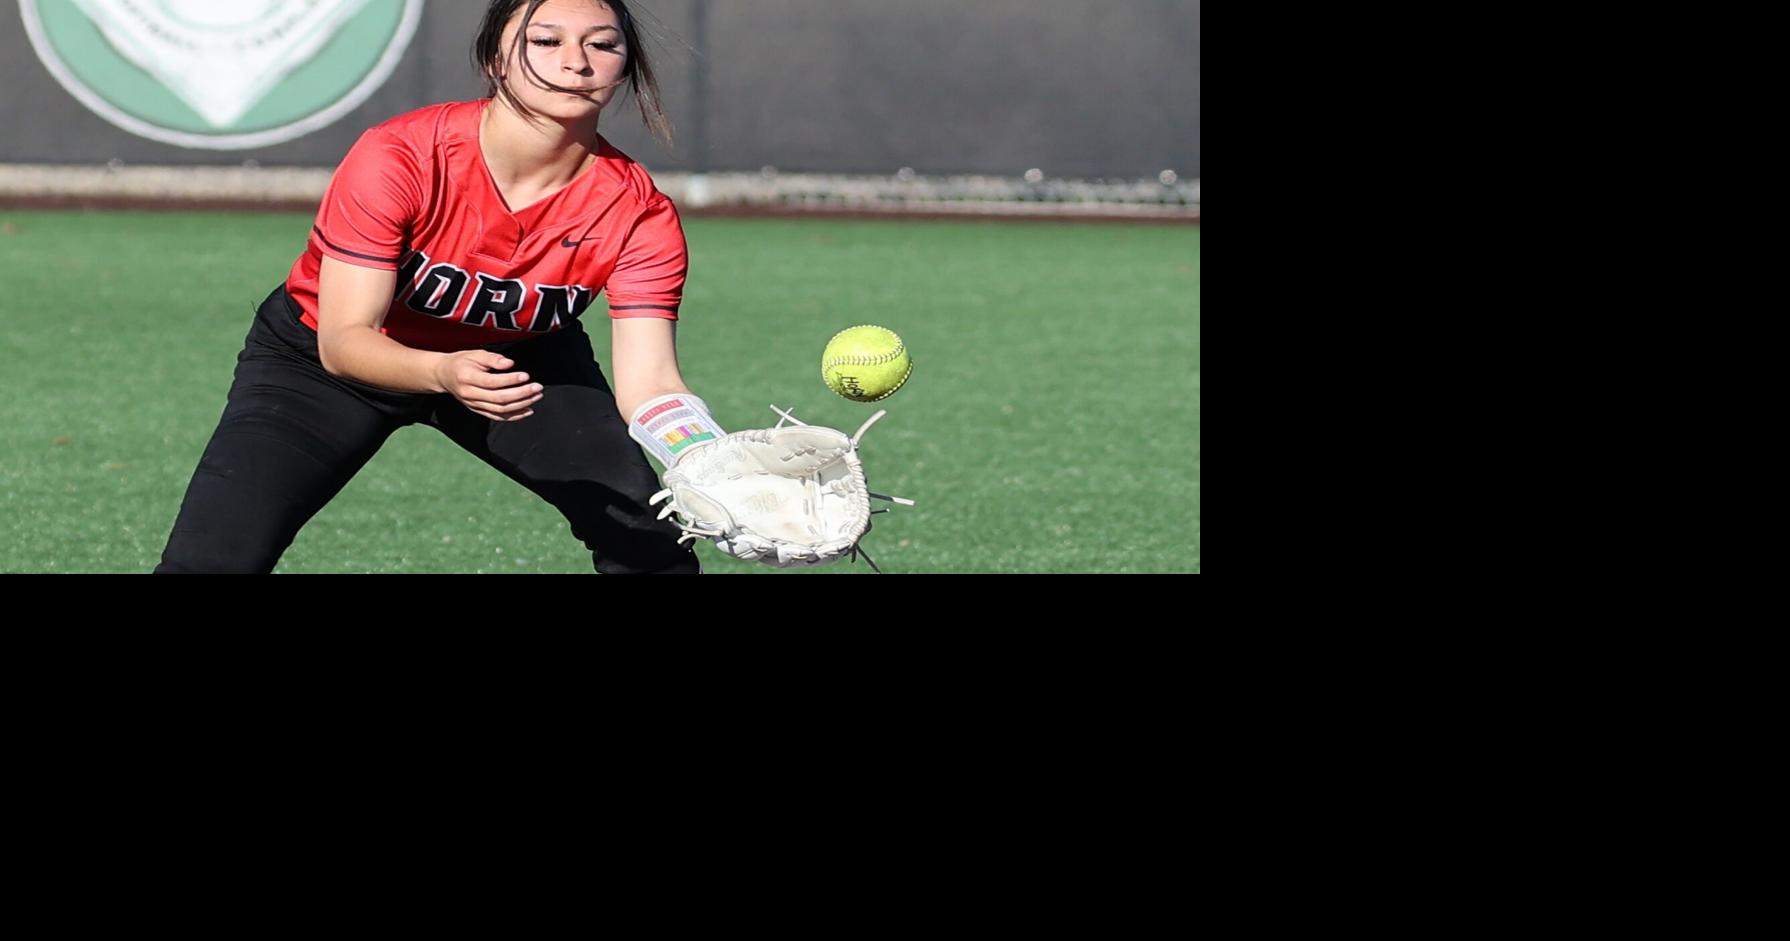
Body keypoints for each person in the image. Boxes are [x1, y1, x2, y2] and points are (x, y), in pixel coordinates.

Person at [157, 0, 721, 574]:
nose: (576, 62)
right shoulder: (400, 156)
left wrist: (716, 463)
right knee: (211, 560)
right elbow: (345, 339)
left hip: (517, 366)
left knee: (651, 546)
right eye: (545, 41)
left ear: (625, 66)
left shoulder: (638, 211)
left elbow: (651, 382)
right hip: (321, 362)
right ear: (494, 61)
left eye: (603, 44)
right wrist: (441, 372)